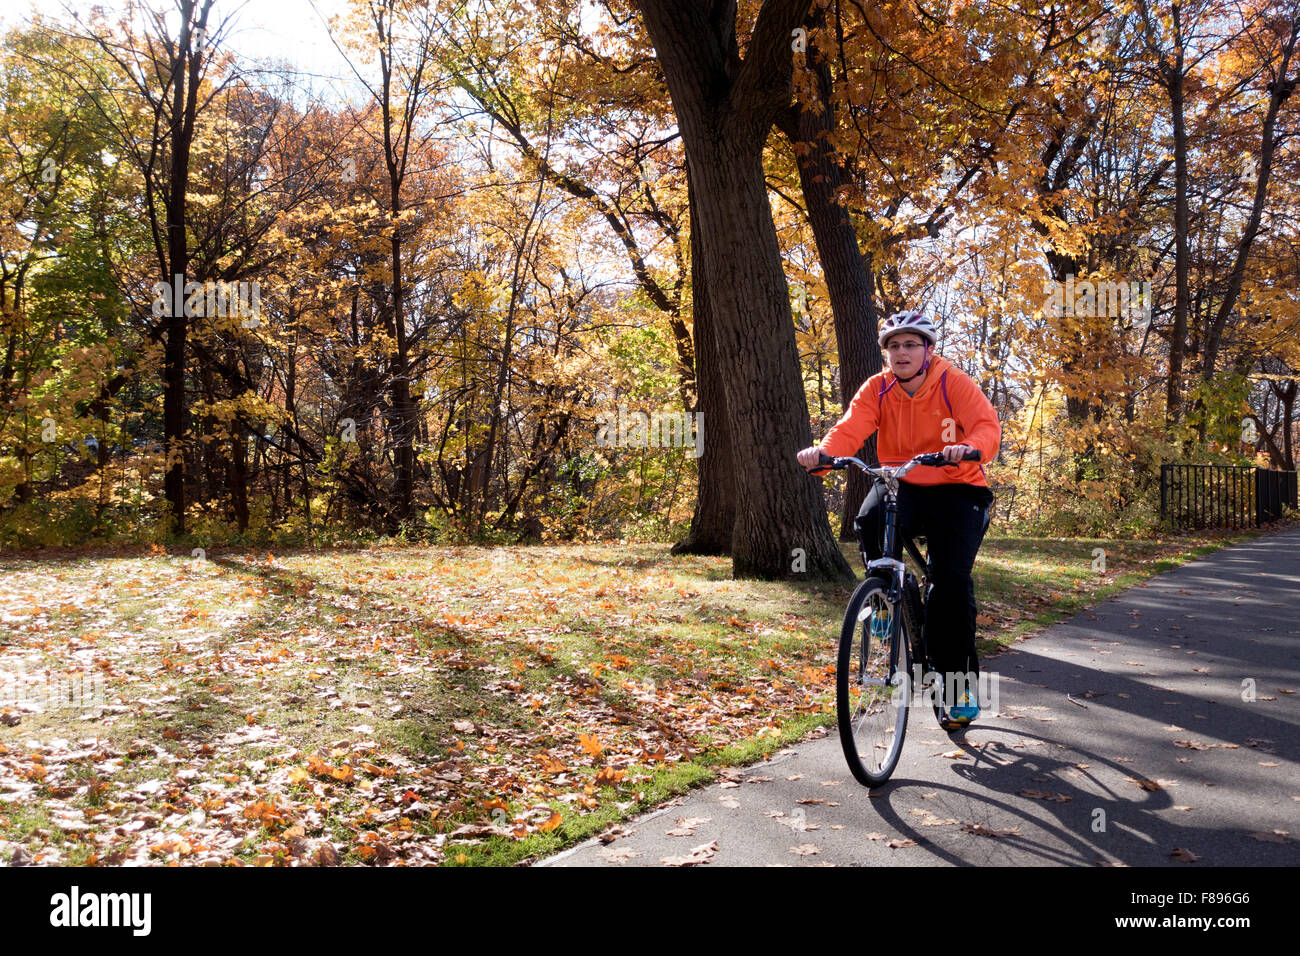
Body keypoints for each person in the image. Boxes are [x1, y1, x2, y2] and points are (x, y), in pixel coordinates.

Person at [796, 310, 1001, 729]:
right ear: (886, 353)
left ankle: (957, 686)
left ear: (928, 350)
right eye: (894, 346)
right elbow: (851, 428)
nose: (901, 352)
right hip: (902, 481)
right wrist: (823, 455)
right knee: (869, 518)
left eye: (911, 345)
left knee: (950, 584)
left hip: (958, 487)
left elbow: (986, 427)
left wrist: (969, 447)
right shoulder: (878, 388)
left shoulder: (953, 382)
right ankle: (888, 595)